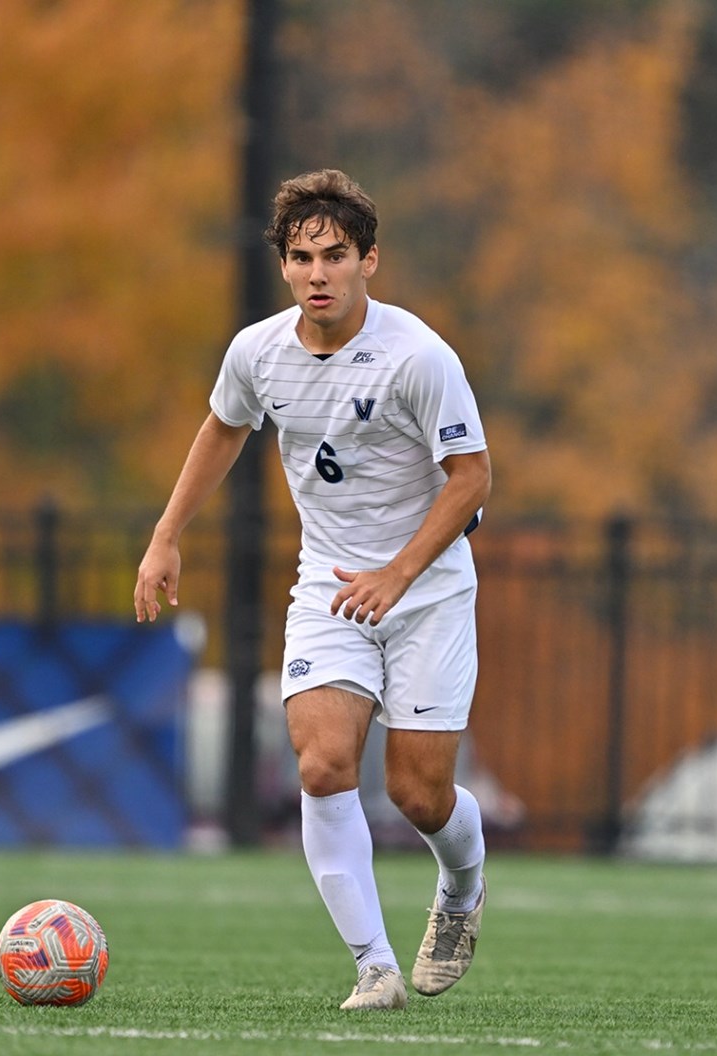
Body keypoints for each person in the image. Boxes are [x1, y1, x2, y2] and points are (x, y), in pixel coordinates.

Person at [134, 169, 491, 1011]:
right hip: (329, 589)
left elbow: (472, 479)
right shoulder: (257, 352)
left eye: (335, 255)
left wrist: (399, 573)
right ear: (285, 267)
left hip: (428, 594)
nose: (317, 273)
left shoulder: (418, 356)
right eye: (301, 257)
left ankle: (462, 887)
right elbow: (224, 426)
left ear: (372, 259)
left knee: (417, 793)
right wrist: (165, 535)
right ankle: (374, 966)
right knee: (324, 763)